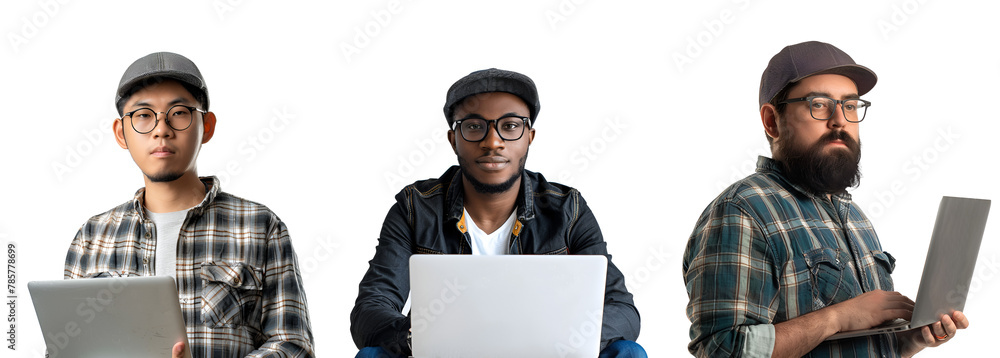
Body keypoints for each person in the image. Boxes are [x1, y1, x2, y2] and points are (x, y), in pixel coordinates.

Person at [682, 41, 969, 357]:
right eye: (818, 104)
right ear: (771, 121)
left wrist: (909, 342)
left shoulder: (855, 217)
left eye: (850, 105)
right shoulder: (743, 211)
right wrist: (839, 317)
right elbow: (722, 349)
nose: (840, 121)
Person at [350, 68, 645, 357]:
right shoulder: (415, 208)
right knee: (372, 356)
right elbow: (371, 309)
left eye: (511, 126)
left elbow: (622, 310)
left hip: (545, 356)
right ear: (454, 139)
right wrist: (421, 339)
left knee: (628, 353)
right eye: (475, 126)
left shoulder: (568, 210)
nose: (493, 142)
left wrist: (551, 341)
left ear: (529, 136)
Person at [63, 52, 314, 357]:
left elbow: (294, 346)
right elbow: (68, 346)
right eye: (143, 115)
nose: (161, 129)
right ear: (121, 133)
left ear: (206, 125)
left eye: (179, 112)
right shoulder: (92, 238)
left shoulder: (260, 226)